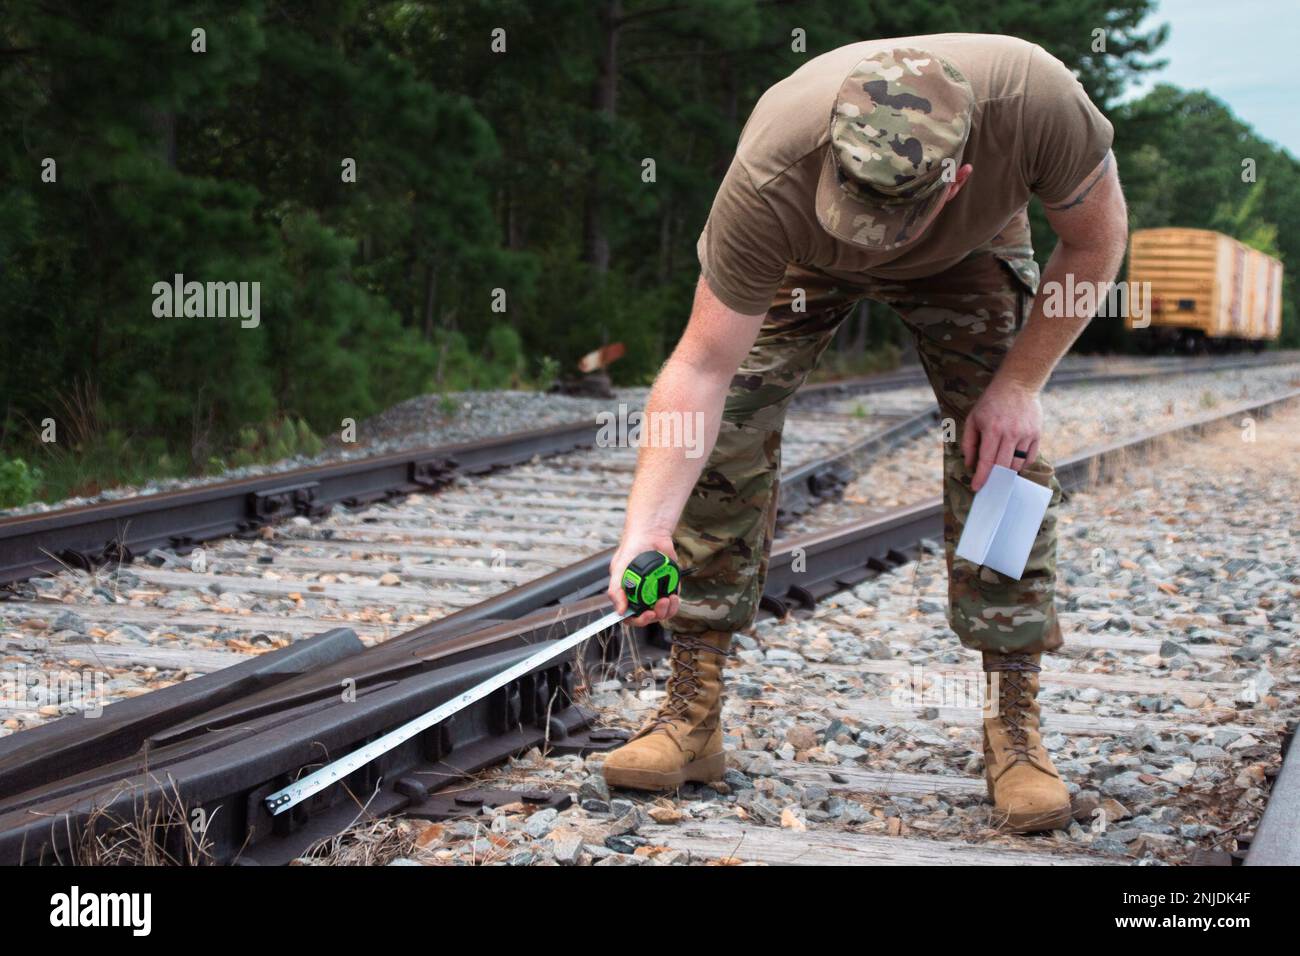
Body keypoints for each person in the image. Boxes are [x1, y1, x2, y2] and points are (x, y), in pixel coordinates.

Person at [600, 34, 1128, 834]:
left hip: (970, 249)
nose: (875, 240)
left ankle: (1012, 723)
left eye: (892, 219)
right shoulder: (775, 166)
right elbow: (701, 369)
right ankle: (690, 711)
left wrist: (1019, 386)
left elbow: (1094, 241)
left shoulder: (1039, 103)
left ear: (960, 176)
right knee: (733, 420)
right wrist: (646, 530)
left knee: (1005, 459)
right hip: (809, 250)